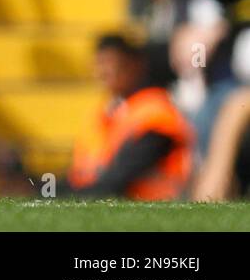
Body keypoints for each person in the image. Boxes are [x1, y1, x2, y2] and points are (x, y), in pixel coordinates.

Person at [69, 34, 194, 199]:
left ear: (135, 65)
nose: (104, 71)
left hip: (154, 208)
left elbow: (119, 178)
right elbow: (82, 173)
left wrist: (58, 194)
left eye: (111, 63)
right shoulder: (105, 113)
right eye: (100, 63)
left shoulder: (155, 110)